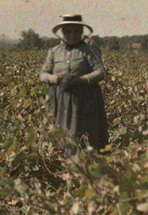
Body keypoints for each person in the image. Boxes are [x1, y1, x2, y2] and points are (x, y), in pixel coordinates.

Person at [39, 14, 109, 151]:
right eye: (68, 32)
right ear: (62, 33)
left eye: (76, 32)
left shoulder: (89, 50)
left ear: (81, 32)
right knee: (59, 135)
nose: (72, 35)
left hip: (83, 101)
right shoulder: (54, 52)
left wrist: (81, 79)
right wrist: (53, 79)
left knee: (82, 137)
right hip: (59, 101)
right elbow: (42, 74)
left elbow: (101, 72)